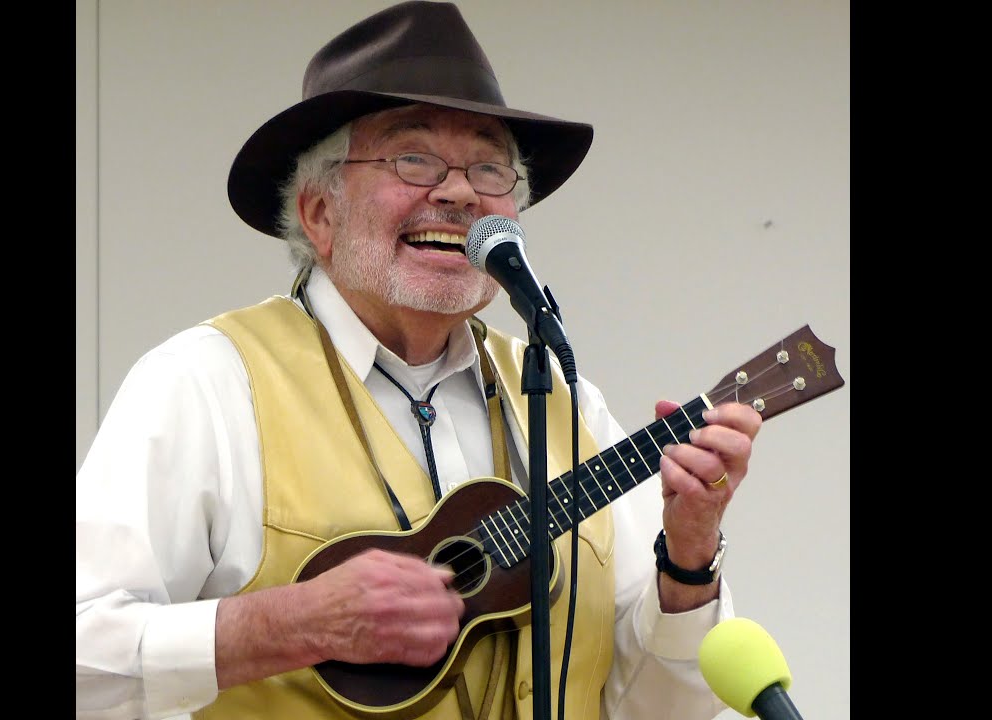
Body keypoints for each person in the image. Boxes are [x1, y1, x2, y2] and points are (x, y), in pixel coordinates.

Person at [75, 2, 763, 719]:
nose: (460, 192)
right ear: (319, 213)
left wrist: (687, 561)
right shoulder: (207, 382)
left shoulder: (565, 399)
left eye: (490, 168)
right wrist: (289, 624)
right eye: (413, 157)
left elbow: (659, 707)